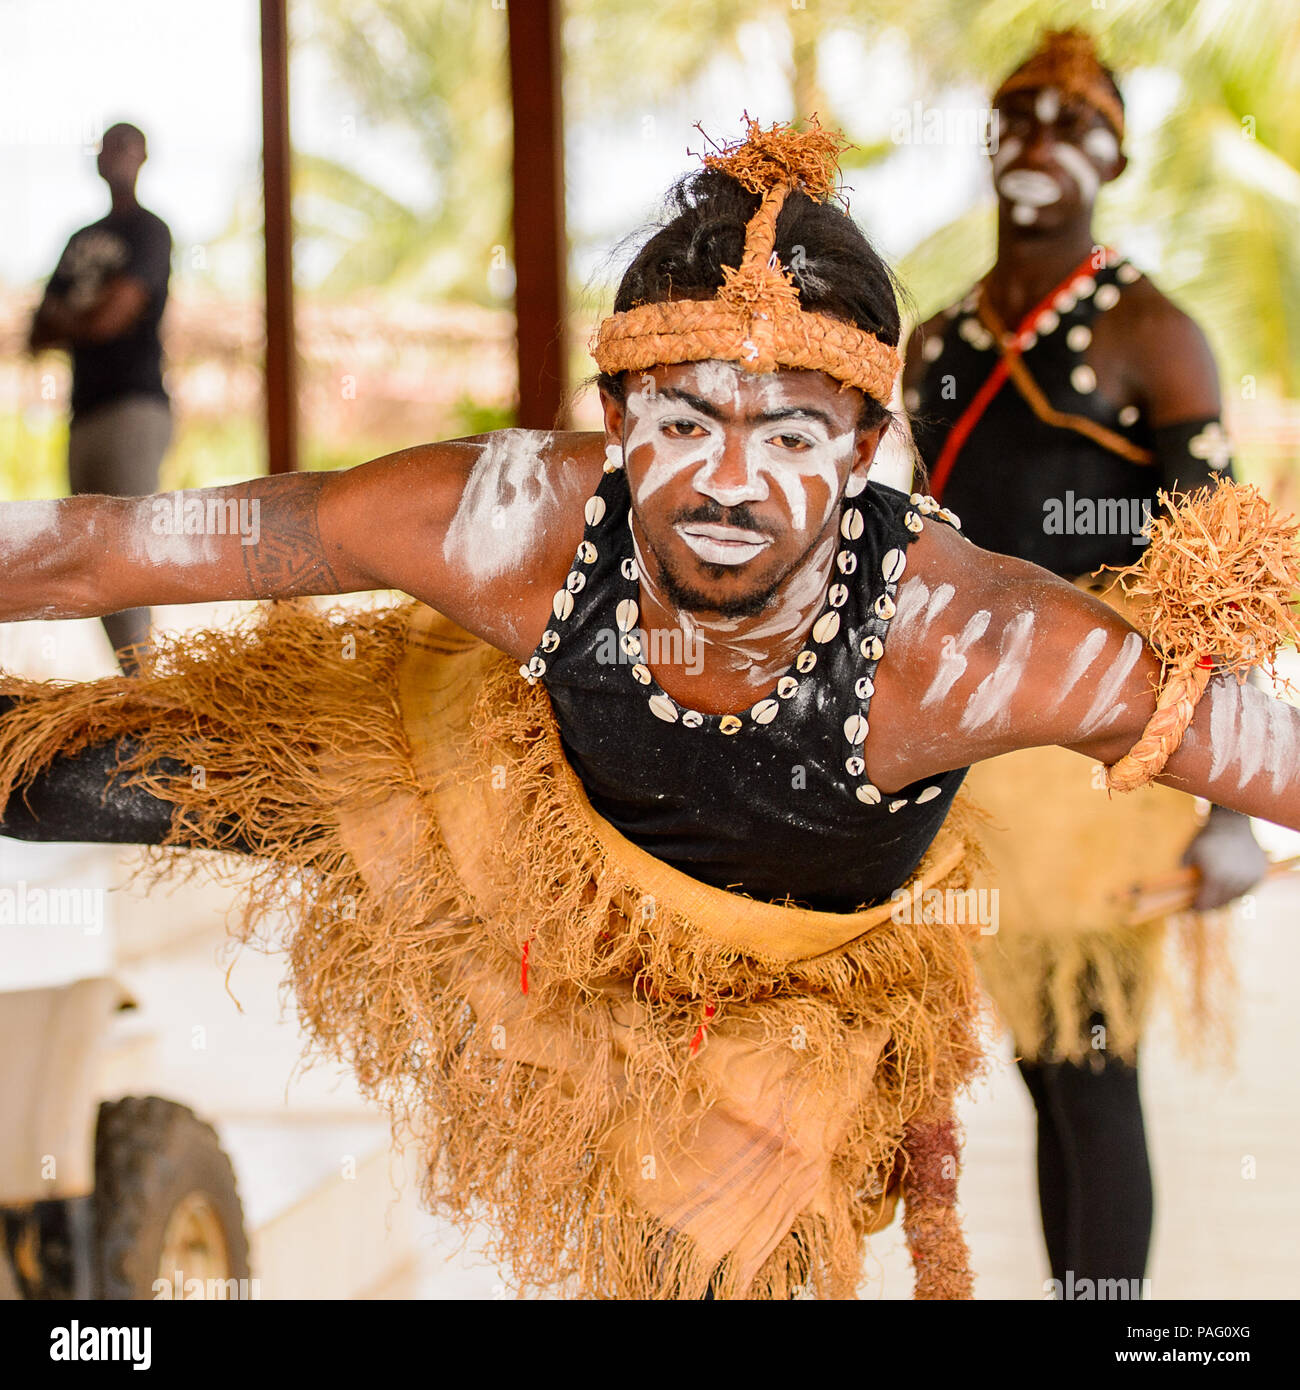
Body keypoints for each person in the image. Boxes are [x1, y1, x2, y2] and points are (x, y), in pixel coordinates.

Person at [1, 119, 1297, 1301]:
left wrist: (1237, 825)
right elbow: (124, 546)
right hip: (511, 843)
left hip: (794, 996)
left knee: (724, 1262)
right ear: (615, 420)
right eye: (686, 420)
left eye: (791, 435)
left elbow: (1271, 754)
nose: (733, 480)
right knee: (57, 770)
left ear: (862, 447)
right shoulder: (514, 522)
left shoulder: (971, 642)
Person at [903, 28, 1269, 1295]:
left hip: (1105, 765)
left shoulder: (1157, 337)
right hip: (968, 765)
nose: (1041, 138)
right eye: (1018, 114)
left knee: (1090, 1063)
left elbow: (1215, 580)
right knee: (1036, 1066)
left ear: (1112, 156)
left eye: (1073, 121)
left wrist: (1229, 808)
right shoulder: (935, 345)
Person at [28, 121, 173, 675]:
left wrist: (73, 317)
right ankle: (132, 682)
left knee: (128, 549)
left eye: (125, 146)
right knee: (89, 551)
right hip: (84, 412)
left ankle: (148, 687)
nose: (114, 156)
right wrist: (85, 318)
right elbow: (35, 334)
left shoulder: (150, 231)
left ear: (143, 157)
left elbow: (114, 317)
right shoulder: (77, 239)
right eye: (107, 147)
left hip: (135, 407)